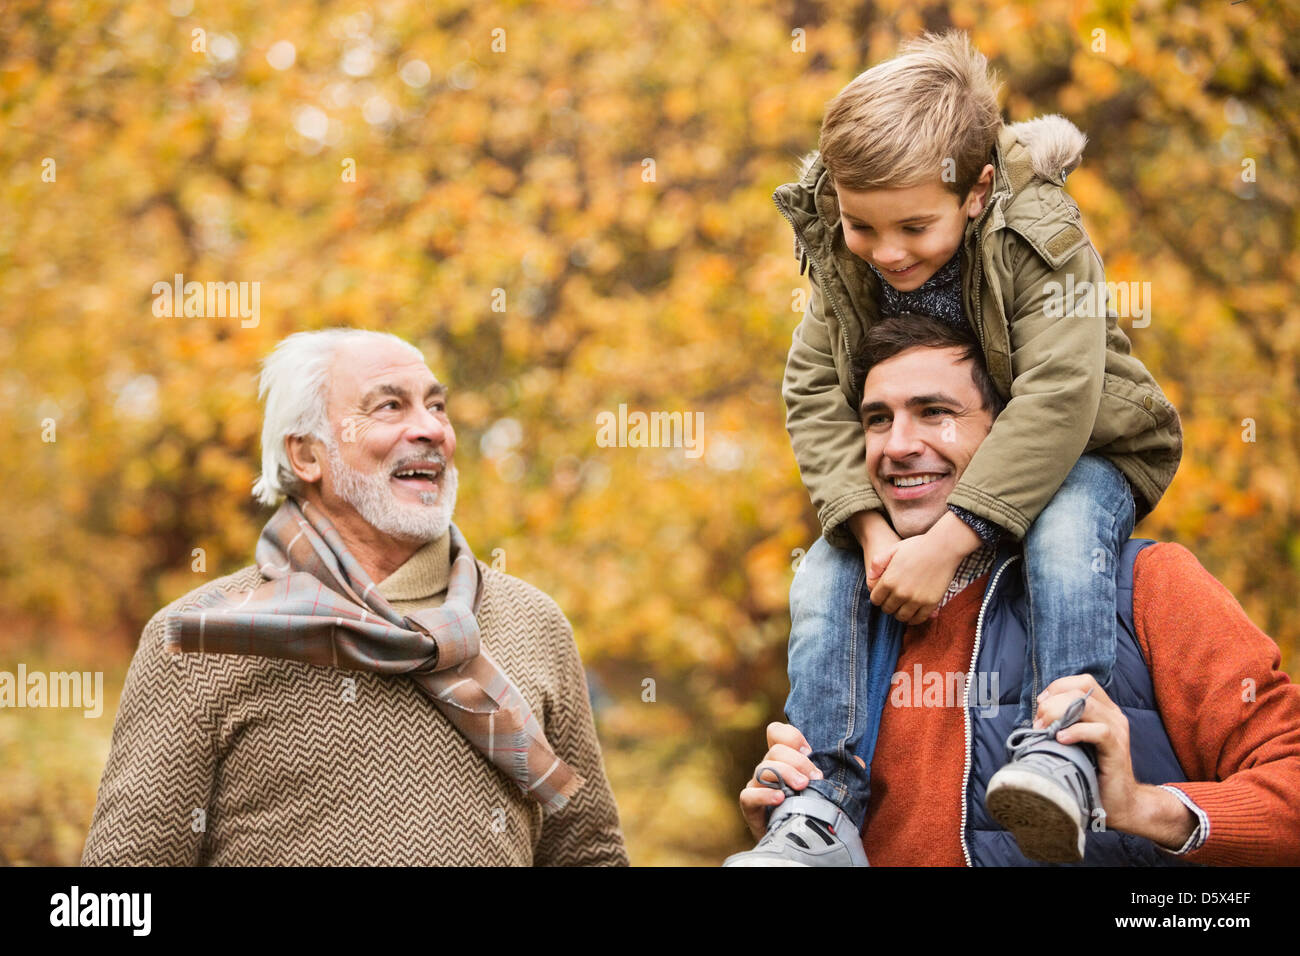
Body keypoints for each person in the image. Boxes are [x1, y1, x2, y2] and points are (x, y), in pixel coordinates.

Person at [727, 31, 1181, 865]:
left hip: (1090, 443)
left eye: (913, 227)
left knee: (1066, 532)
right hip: (940, 481)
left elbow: (1057, 396)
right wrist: (868, 534)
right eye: (864, 226)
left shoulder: (1037, 232)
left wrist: (949, 541)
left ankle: (1065, 745)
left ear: (975, 193)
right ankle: (821, 799)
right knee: (825, 573)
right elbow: (814, 394)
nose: (888, 252)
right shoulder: (845, 258)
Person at [732, 317, 1300, 866]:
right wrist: (791, 829)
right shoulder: (844, 623)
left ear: (1008, 431)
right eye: (878, 419)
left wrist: (1144, 807)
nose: (898, 445)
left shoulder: (1147, 586)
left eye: (935, 413)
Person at [82, 328, 628, 866]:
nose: (431, 429)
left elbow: (589, 853)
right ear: (307, 456)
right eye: (390, 407)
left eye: (437, 406)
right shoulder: (203, 636)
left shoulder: (532, 622)